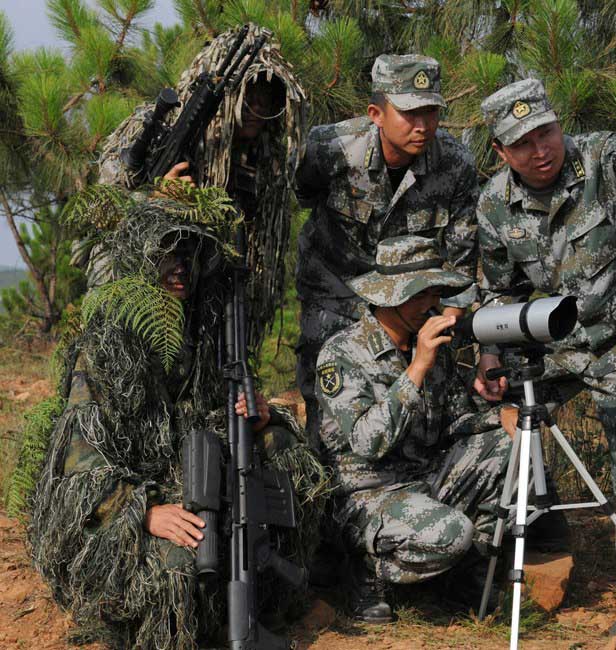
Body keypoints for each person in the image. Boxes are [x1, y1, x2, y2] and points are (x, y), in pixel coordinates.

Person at [29, 201, 327, 649]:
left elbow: (211, 417)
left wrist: (258, 413)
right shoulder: (106, 350)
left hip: (196, 477)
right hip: (131, 503)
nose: (180, 267)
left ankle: (271, 596)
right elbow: (80, 466)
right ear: (139, 262)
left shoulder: (207, 336)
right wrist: (144, 510)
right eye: (166, 255)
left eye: (188, 256)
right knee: (177, 570)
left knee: (281, 443)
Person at [474, 79, 616, 642]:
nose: (541, 149)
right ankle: (534, 532)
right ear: (501, 152)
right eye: (523, 142)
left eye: (546, 132)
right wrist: (488, 356)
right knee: (485, 414)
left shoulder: (599, 157)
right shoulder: (492, 206)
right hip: (563, 341)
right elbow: (497, 292)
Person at [315, 236, 517, 623]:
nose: (434, 305)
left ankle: (461, 576)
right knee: (453, 532)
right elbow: (367, 442)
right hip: (367, 496)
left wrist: (501, 417)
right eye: (421, 294)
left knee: (508, 444)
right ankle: (366, 569)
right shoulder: (342, 353)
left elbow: (455, 423)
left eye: (437, 293)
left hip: (424, 480)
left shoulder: (428, 344)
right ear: (389, 296)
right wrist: (416, 370)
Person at [295, 54, 479, 442]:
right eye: (410, 113)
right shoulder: (332, 149)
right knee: (328, 404)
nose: (423, 126)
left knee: (413, 393)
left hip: (410, 299)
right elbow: (300, 195)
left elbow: (463, 256)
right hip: (336, 290)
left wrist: (445, 321)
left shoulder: (455, 163)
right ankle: (331, 492)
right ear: (376, 113)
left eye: (431, 112)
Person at [93, 23, 306, 350]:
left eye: (269, 98)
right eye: (250, 96)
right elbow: (103, 207)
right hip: (139, 291)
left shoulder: (265, 161)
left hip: (210, 301)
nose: (259, 108)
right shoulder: (156, 128)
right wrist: (154, 199)